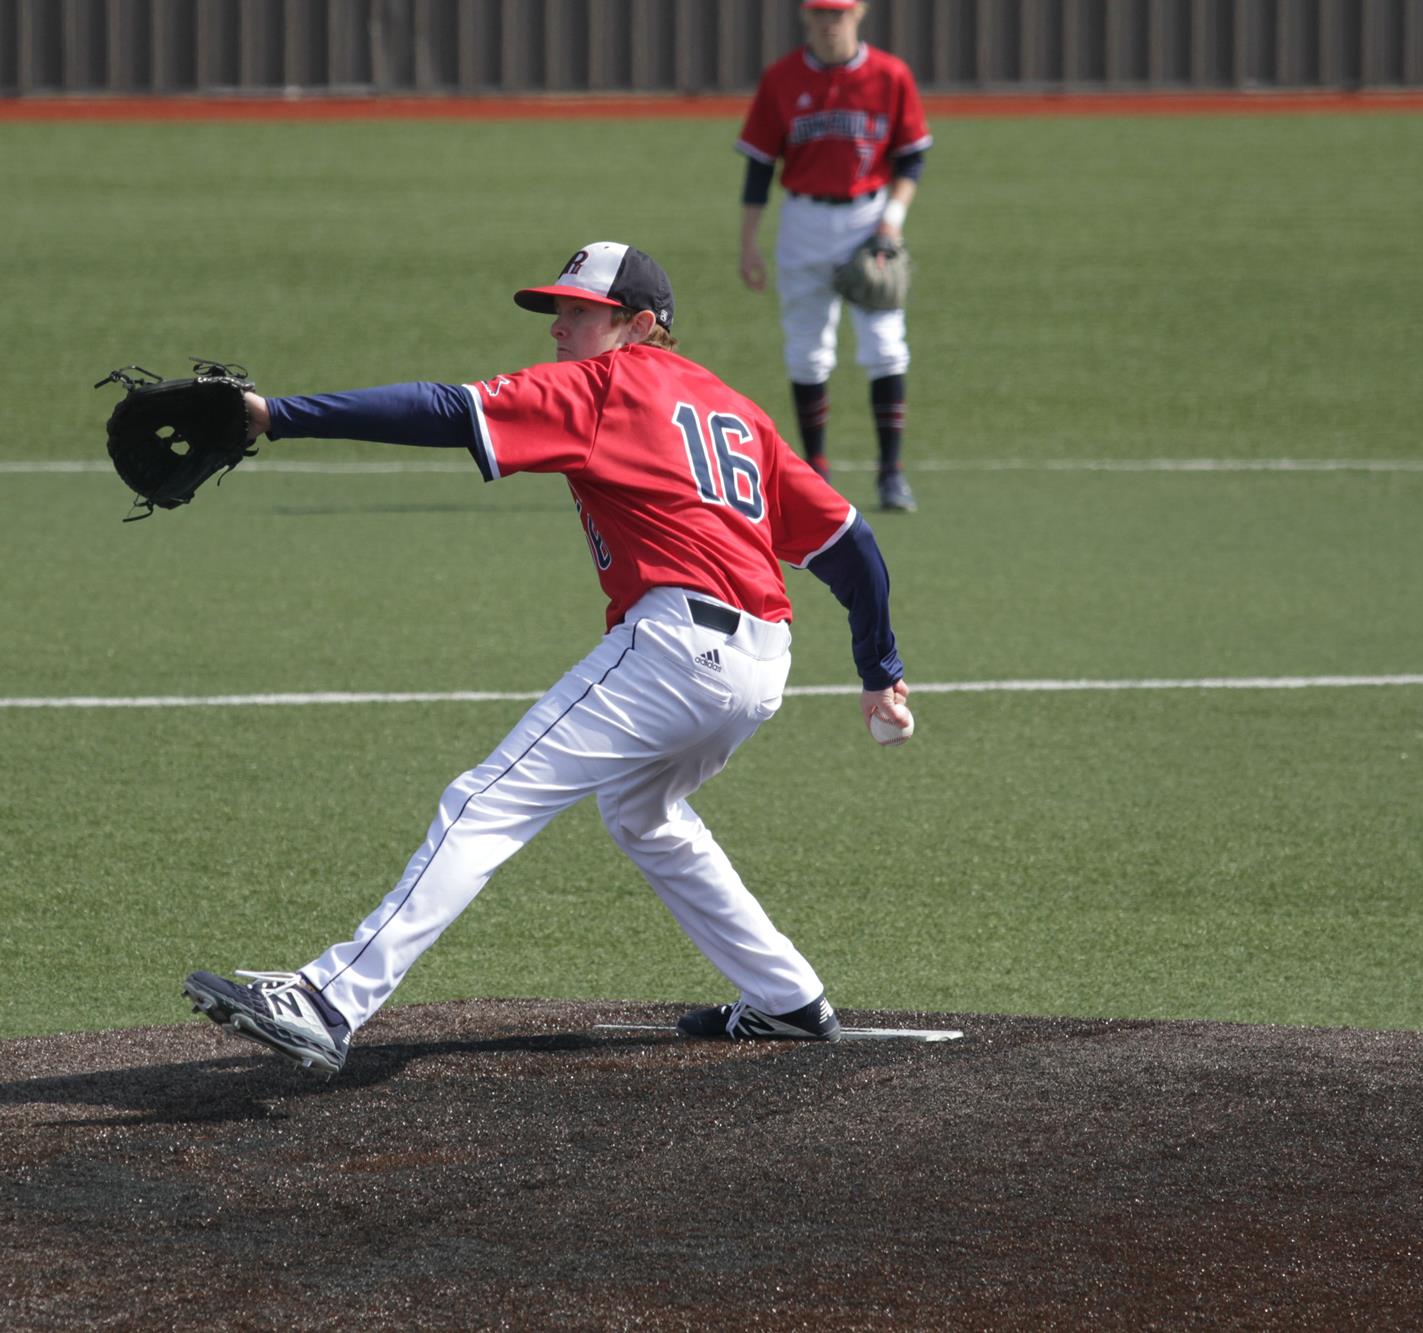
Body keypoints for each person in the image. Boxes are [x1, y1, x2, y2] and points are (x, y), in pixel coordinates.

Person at [182, 241, 911, 1076]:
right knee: (644, 815)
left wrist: (278, 414)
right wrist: (878, 670)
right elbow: (852, 545)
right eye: (557, 310)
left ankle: (327, 998)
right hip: (760, 665)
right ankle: (788, 999)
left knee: (484, 798)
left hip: (674, 647)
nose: (559, 328)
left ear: (638, 325)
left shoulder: (608, 384)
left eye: (578, 313)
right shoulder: (737, 411)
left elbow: (445, 409)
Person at [736, 0, 932, 512]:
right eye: (821, 12)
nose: (829, 22)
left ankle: (891, 473)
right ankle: (817, 473)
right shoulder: (781, 78)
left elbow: (912, 156)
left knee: (886, 345)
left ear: (859, 13)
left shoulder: (890, 75)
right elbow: (759, 166)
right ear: (807, 17)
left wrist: (893, 220)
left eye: (838, 12)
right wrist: (748, 242)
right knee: (806, 349)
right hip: (802, 219)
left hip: (868, 219)